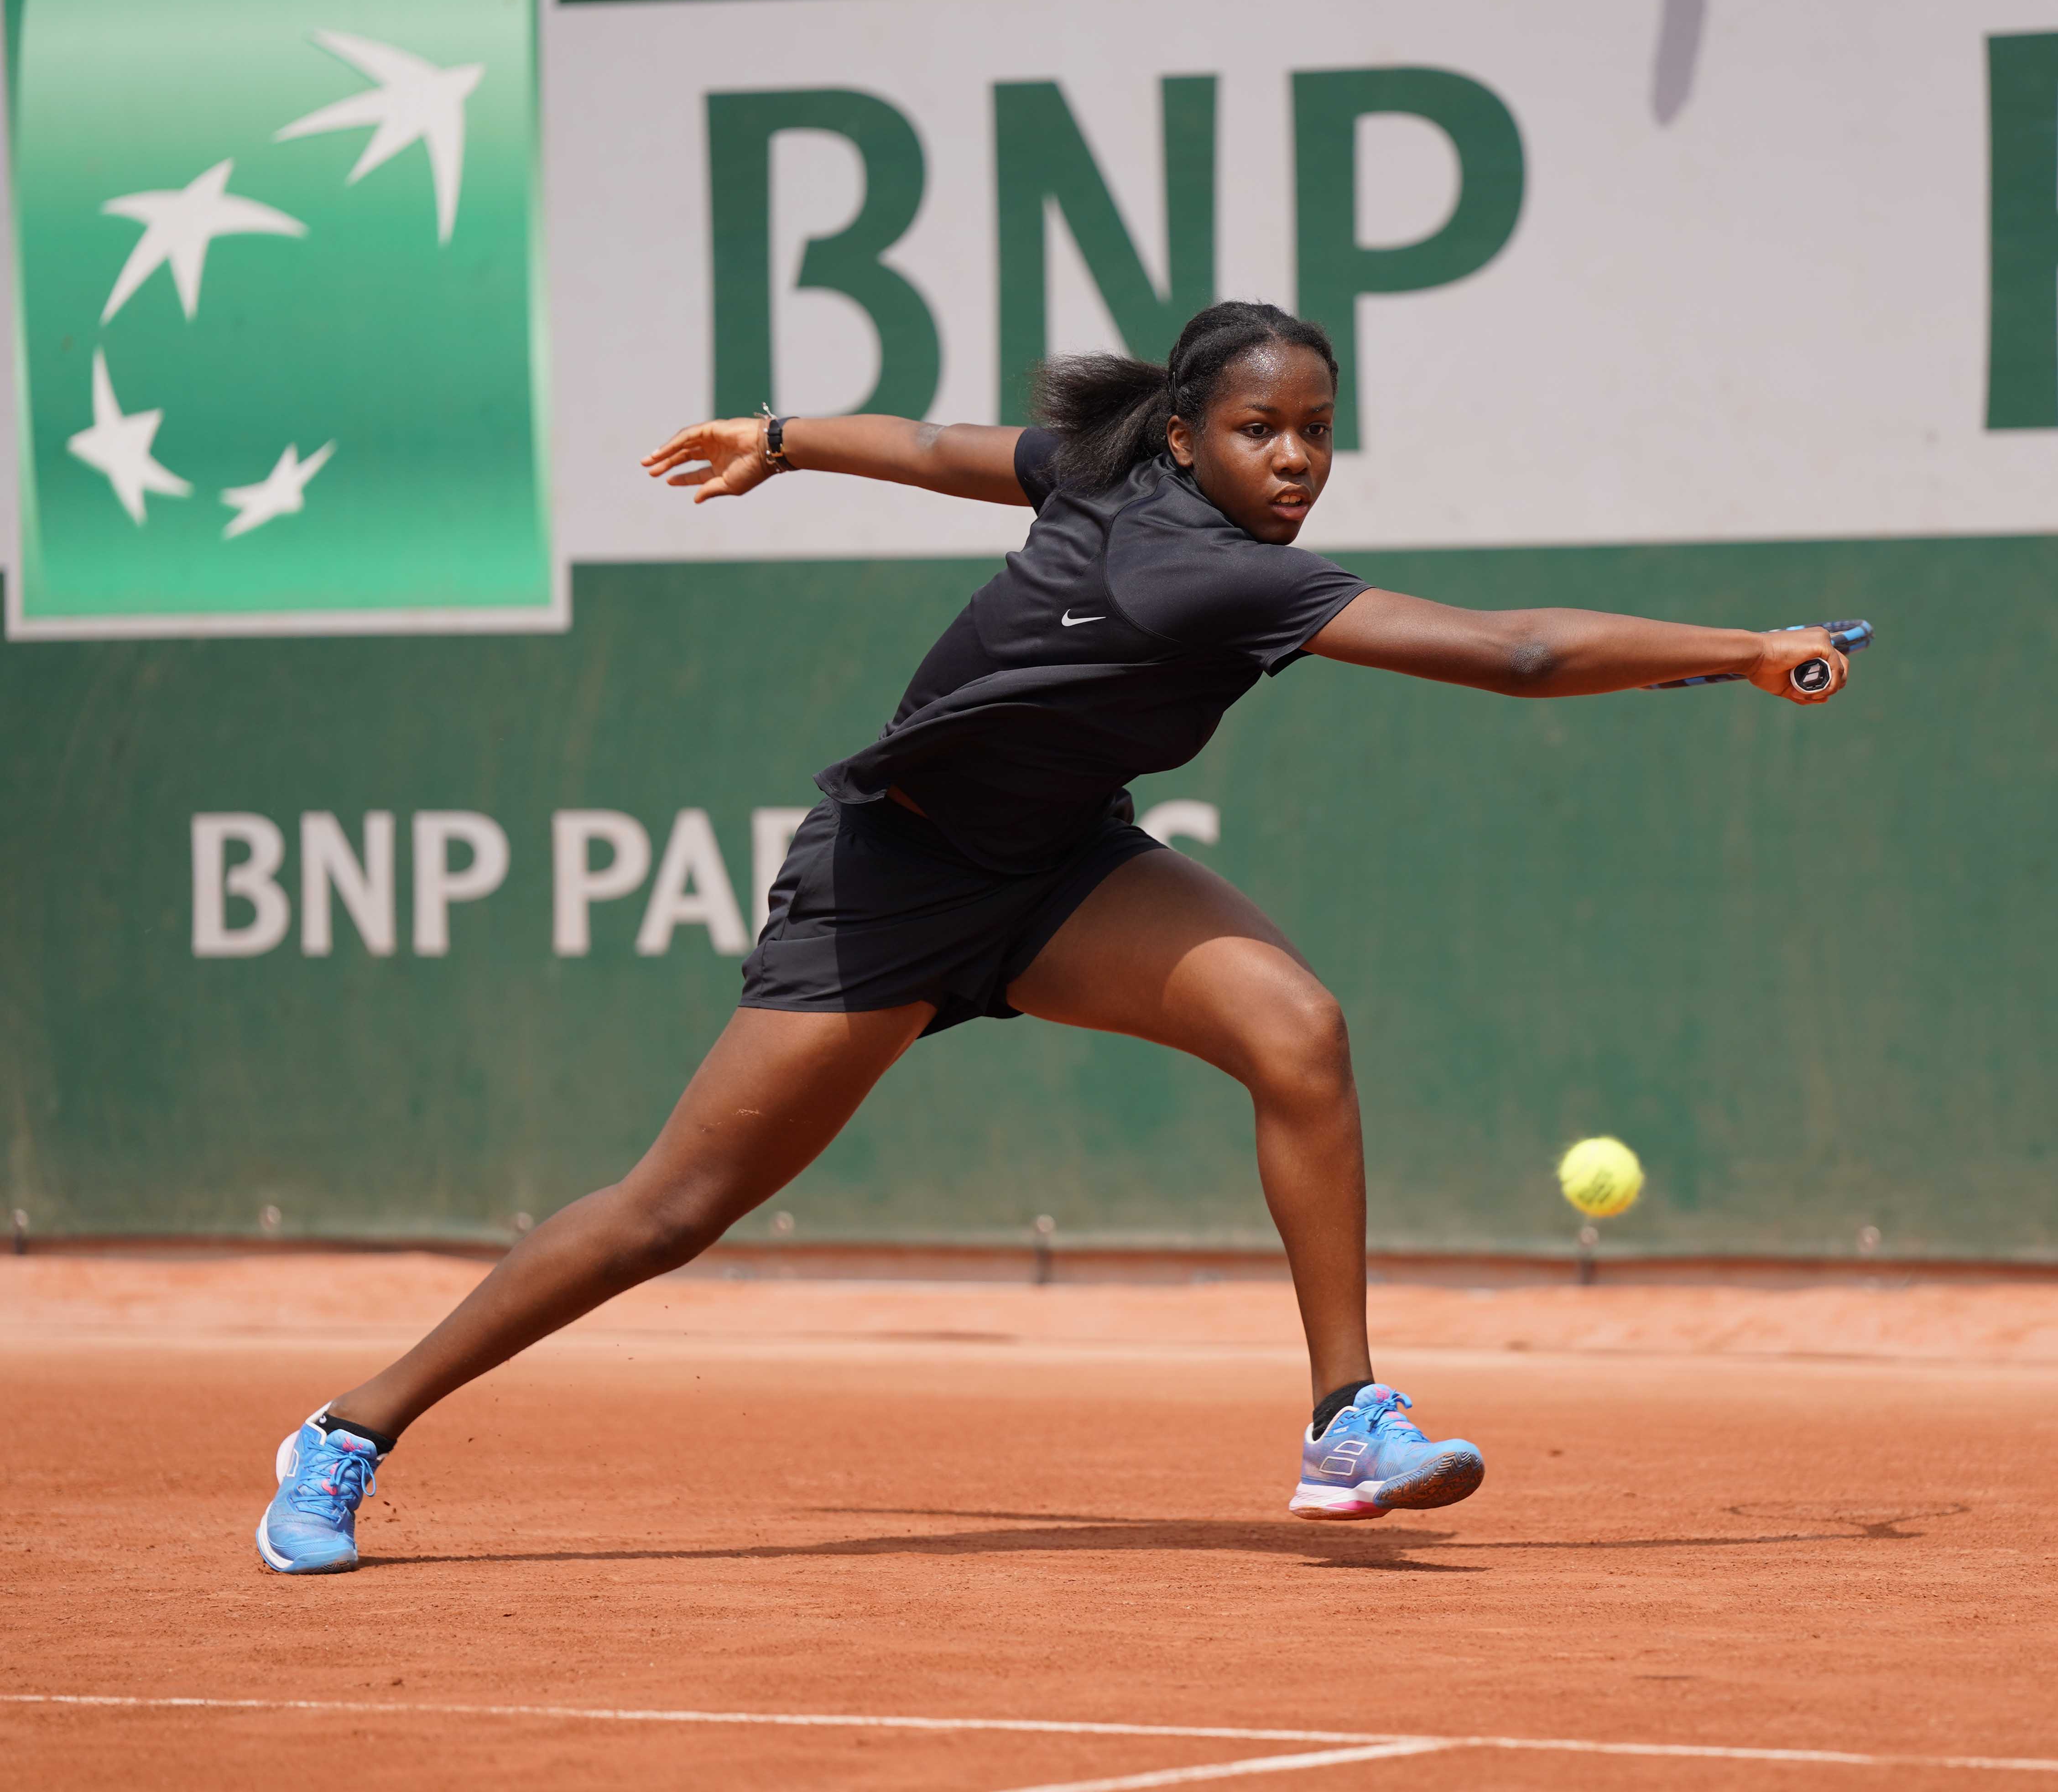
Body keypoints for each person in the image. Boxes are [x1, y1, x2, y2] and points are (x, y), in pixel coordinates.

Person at [255, 300, 1848, 1573]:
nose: (1295, 460)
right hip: (895, 879)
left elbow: (954, 447)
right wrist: (1744, 649)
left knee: (1296, 1029)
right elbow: (1511, 654)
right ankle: (350, 1428)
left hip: (1065, 871)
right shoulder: (1201, 571)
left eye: (1316, 433)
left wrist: (788, 437)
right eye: (1259, 430)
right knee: (669, 1214)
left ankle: (1347, 1423)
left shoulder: (1114, 474)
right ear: (1185, 434)